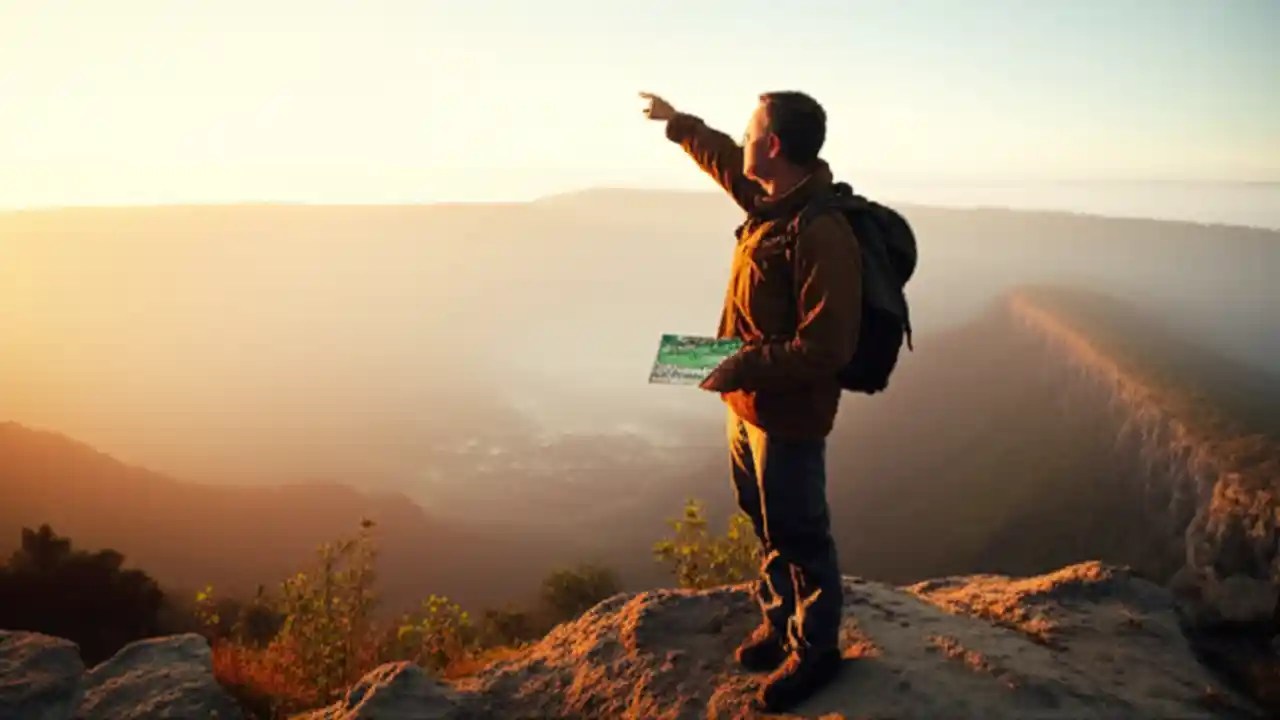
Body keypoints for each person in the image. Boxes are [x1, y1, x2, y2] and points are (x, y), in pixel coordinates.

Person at [640, 90, 862, 712]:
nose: (740, 142)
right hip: (744, 406)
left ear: (773, 146)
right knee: (763, 521)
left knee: (801, 533)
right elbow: (721, 160)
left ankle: (816, 651)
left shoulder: (821, 231)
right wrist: (677, 123)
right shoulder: (769, 204)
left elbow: (825, 348)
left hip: (787, 415)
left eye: (749, 133)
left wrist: (735, 363)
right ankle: (779, 622)